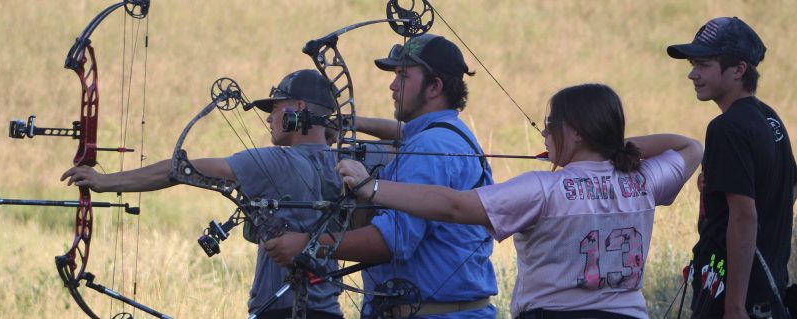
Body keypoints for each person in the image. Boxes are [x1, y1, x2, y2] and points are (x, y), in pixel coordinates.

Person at [334, 83, 703, 319]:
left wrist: (372, 188)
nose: (543, 131)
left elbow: (455, 206)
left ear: (574, 131)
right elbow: (690, 146)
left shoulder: (543, 189)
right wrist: (607, 149)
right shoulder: (643, 181)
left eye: (551, 123)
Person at [62, 69, 352, 319]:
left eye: (275, 109)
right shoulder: (354, 167)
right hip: (330, 310)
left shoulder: (277, 162)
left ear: (297, 108)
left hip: (280, 310)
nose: (269, 119)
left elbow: (179, 170)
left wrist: (105, 181)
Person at [265, 34, 500, 318]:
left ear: (434, 86)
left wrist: (307, 245)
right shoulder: (450, 135)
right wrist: (349, 124)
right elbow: (401, 134)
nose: (392, 85)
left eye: (403, 76)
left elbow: (392, 240)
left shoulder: (430, 147)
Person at [666, 17, 797, 318]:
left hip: (734, 297)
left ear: (738, 69)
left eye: (703, 64)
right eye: (692, 64)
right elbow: (788, 185)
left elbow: (744, 216)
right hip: (769, 290)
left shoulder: (726, 128)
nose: (692, 74)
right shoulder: (769, 117)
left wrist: (734, 306)